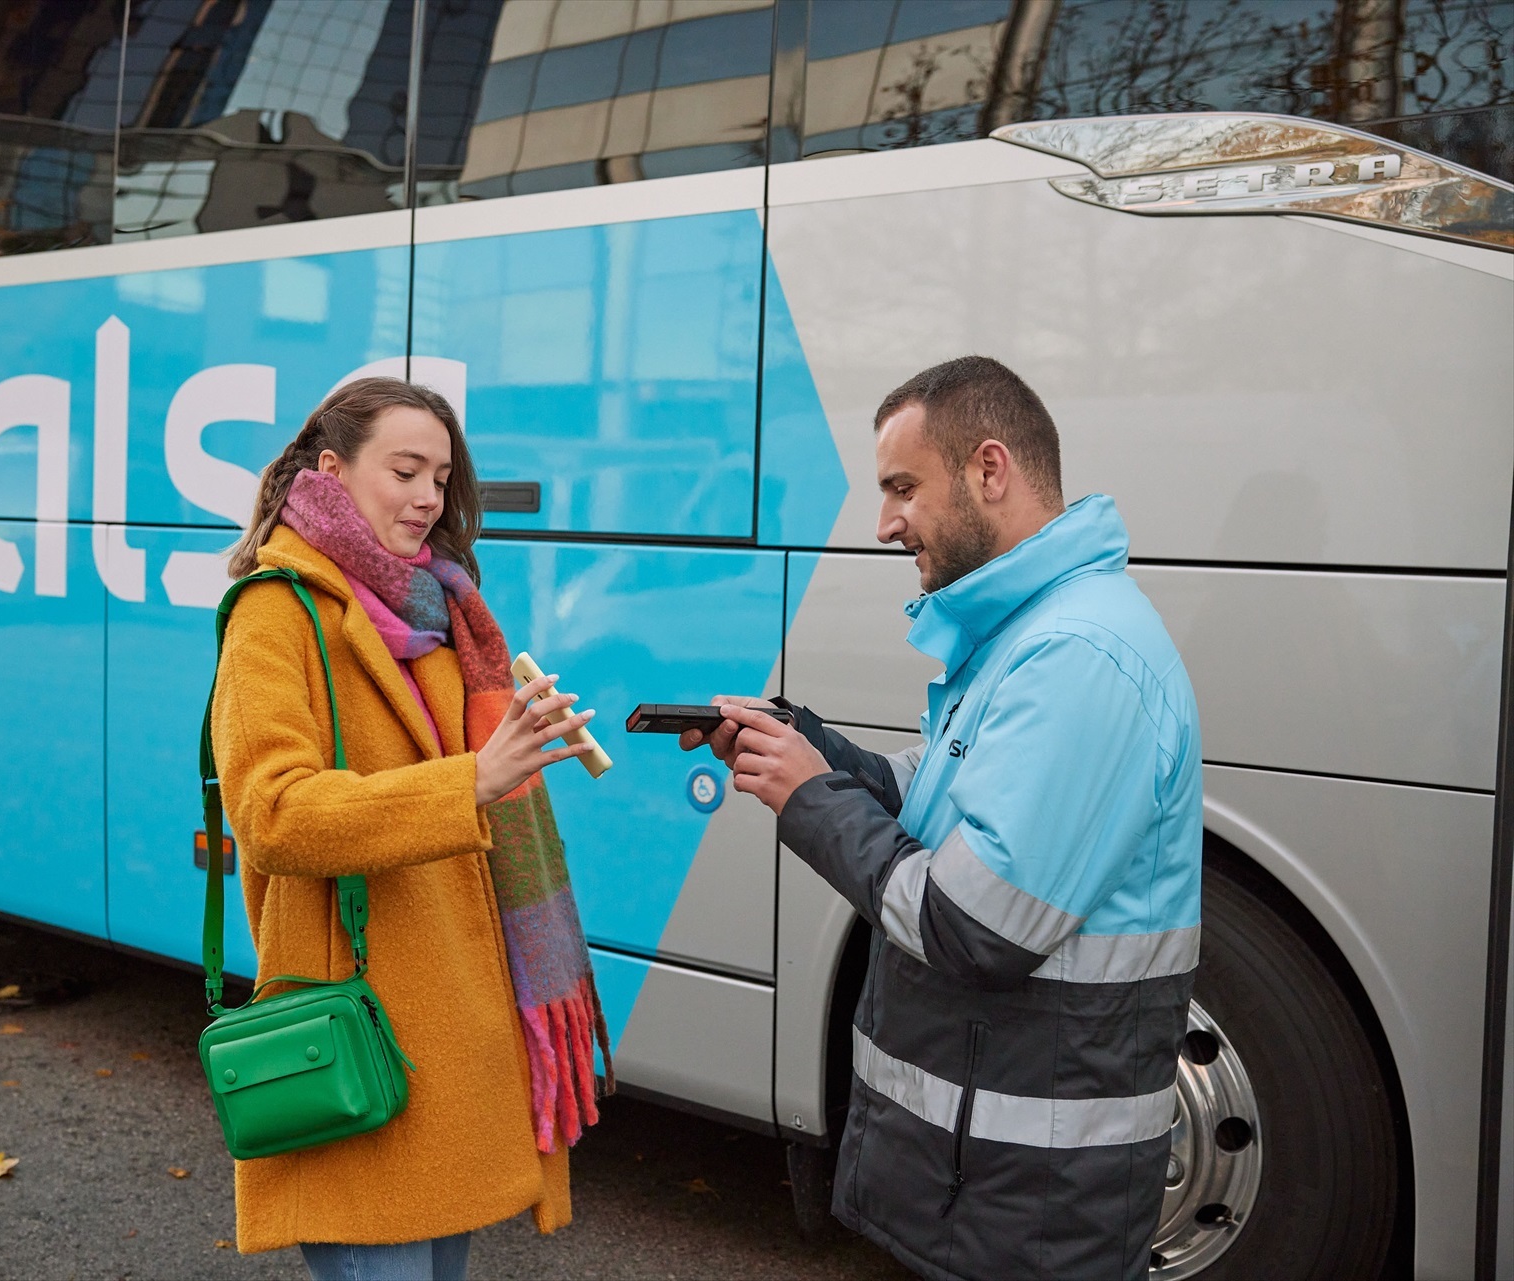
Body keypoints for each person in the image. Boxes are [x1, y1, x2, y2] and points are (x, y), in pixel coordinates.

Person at [685, 356, 1202, 1281]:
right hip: (1001, 1190)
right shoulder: (1031, 631)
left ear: (989, 469)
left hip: (1030, 1209)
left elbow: (973, 925)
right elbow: (935, 794)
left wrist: (810, 796)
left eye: (901, 487)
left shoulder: (1076, 653)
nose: (884, 523)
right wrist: (808, 746)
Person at [211, 377, 612, 1280]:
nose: (429, 496)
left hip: (453, 1041)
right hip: (362, 1036)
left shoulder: (435, 611)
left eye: (440, 476)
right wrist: (474, 778)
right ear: (331, 470)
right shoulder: (275, 610)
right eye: (405, 471)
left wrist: (510, 741)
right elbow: (272, 814)